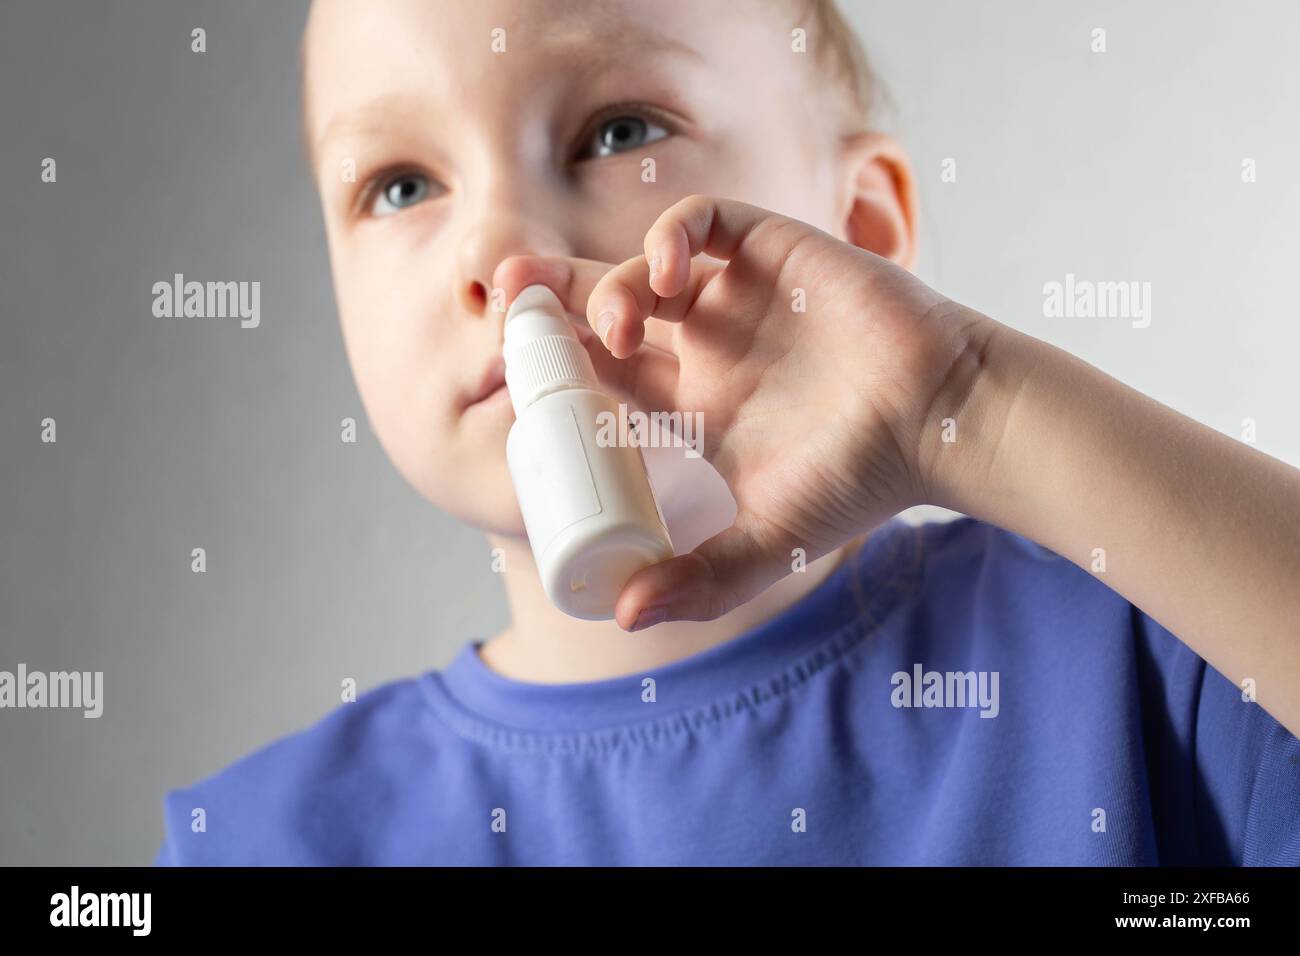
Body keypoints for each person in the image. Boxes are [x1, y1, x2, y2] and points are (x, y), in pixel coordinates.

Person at [154, 0, 1300, 865]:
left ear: (858, 226)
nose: (496, 252)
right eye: (400, 187)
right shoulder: (256, 839)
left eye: (618, 128)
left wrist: (965, 397)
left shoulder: (1142, 651)